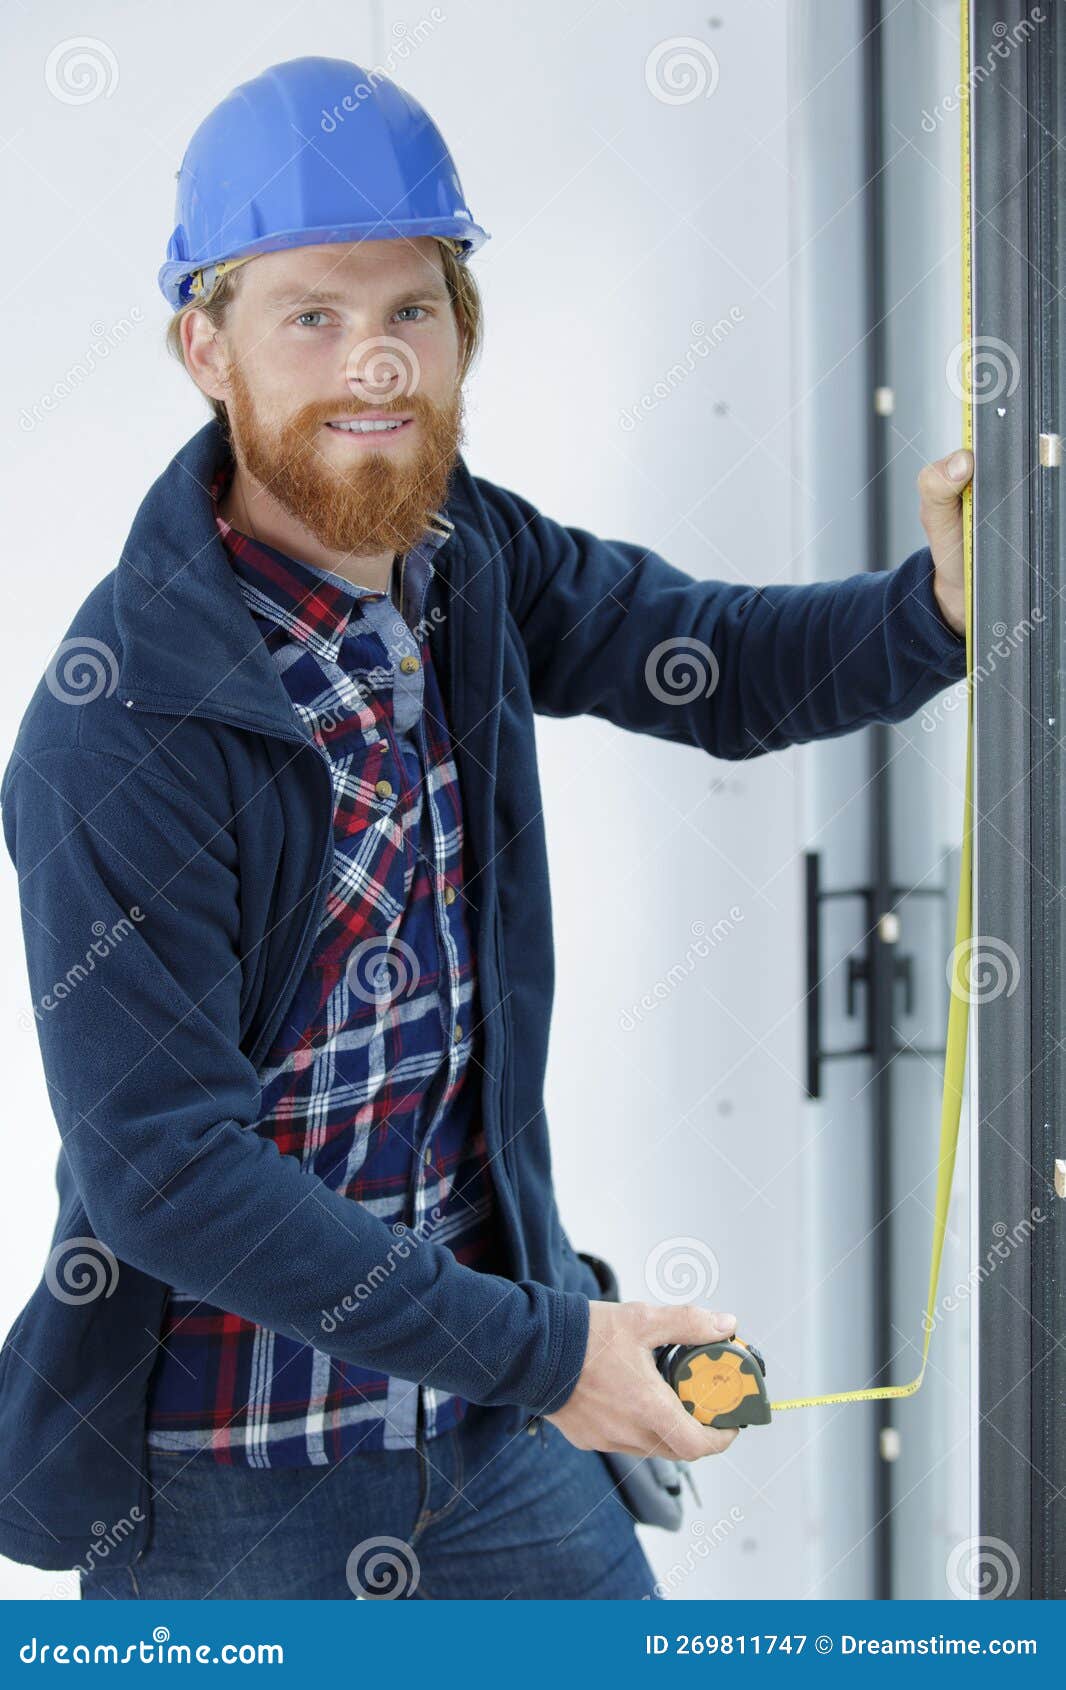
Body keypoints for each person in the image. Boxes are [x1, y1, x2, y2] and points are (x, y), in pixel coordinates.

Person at [0, 56, 971, 1600]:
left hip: (491, 1420)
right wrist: (559, 1354)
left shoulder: (465, 559)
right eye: (311, 316)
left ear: (462, 329)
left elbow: (710, 660)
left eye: (412, 307)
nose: (374, 361)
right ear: (205, 346)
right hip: (233, 1482)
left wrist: (939, 609)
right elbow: (170, 1175)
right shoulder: (116, 725)